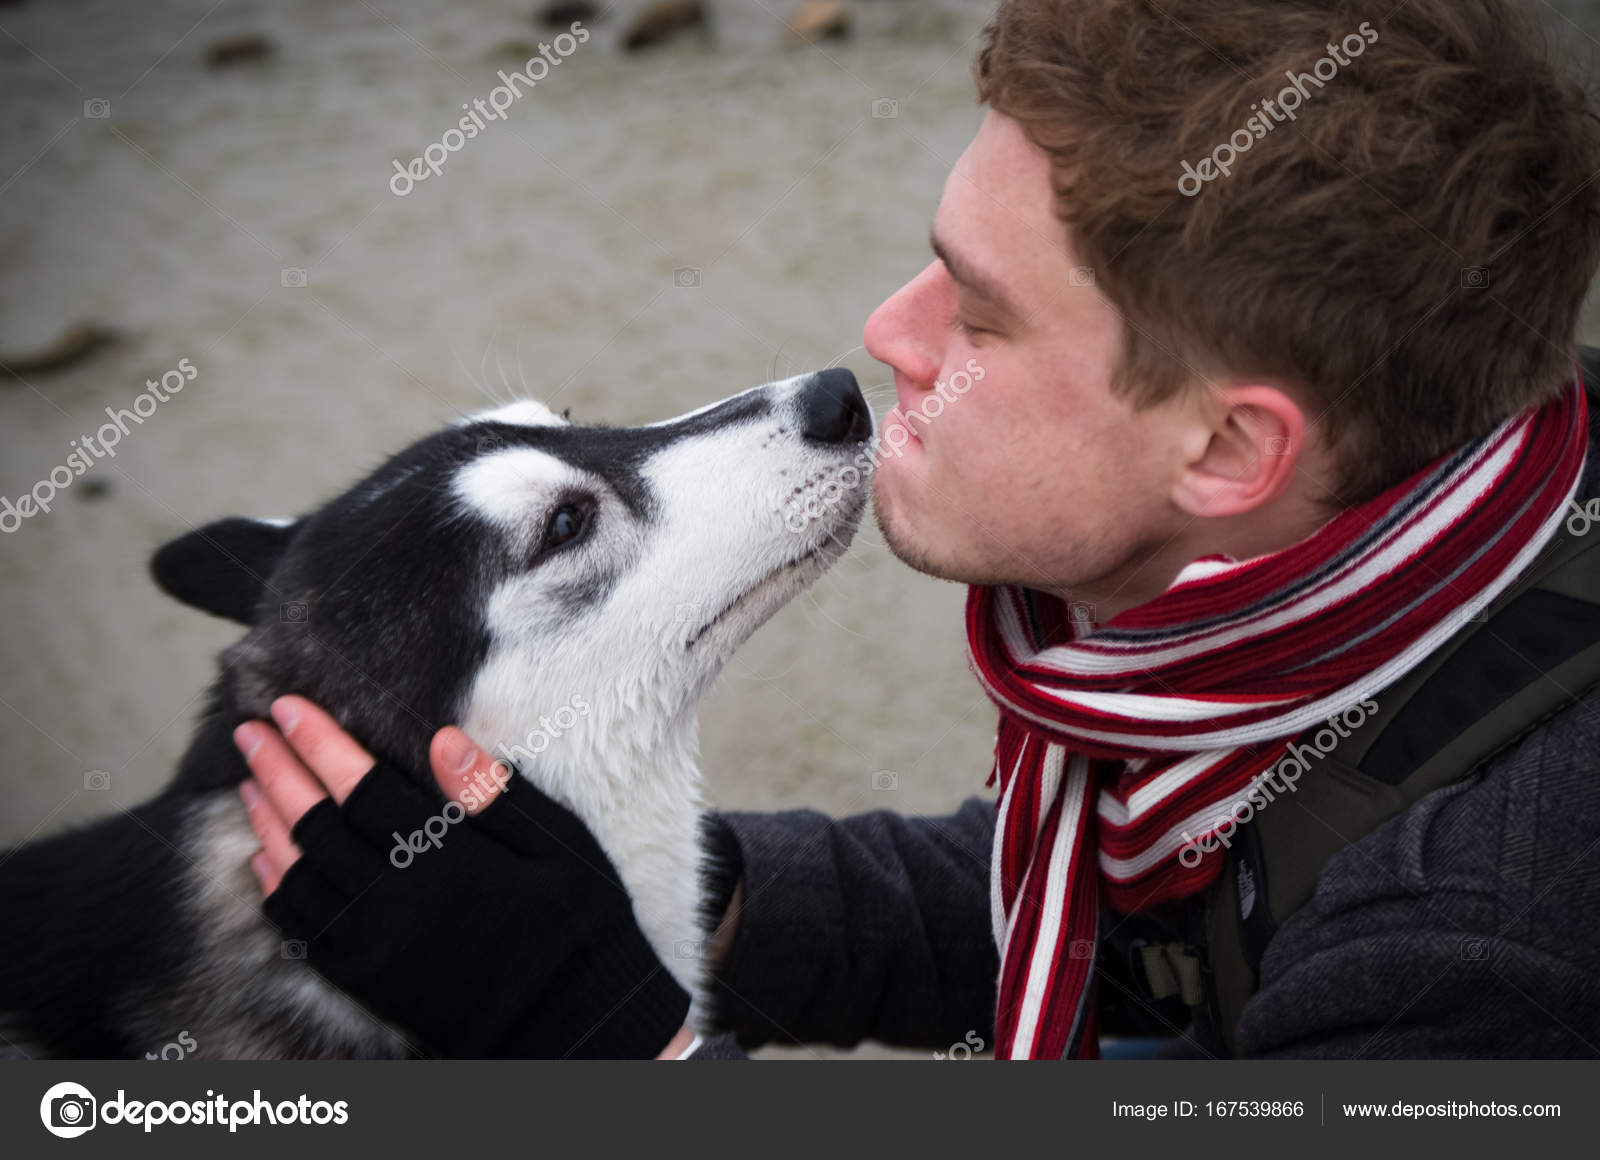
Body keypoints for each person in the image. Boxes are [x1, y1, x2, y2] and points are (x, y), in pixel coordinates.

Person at [231, 0, 1600, 1059]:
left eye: (981, 312)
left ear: (1232, 449)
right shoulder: (1450, 516)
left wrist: (600, 1030)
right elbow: (1140, 921)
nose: (889, 334)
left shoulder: (1466, 964)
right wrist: (639, 881)